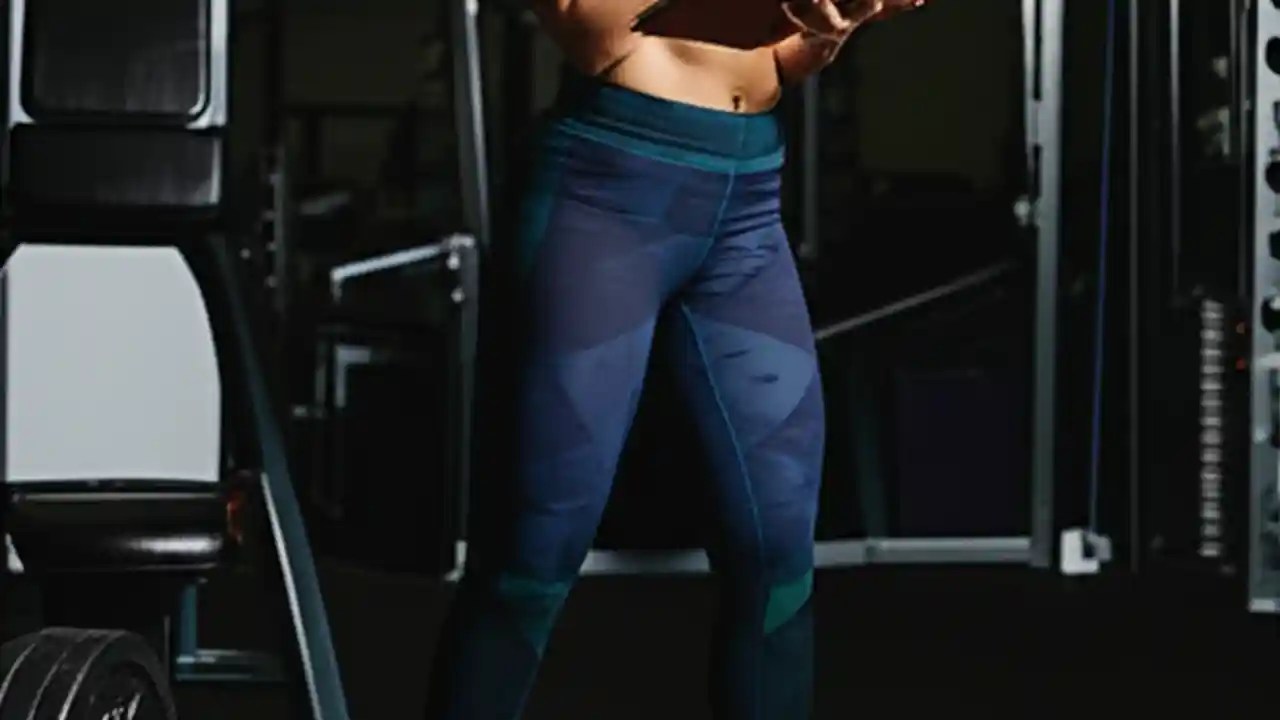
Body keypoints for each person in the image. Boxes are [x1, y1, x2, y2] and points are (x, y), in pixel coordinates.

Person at [425, 1, 925, 717]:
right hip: (606, 198)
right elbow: (593, 26)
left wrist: (831, 20)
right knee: (533, 552)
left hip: (747, 204)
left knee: (777, 551)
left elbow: (777, 63)